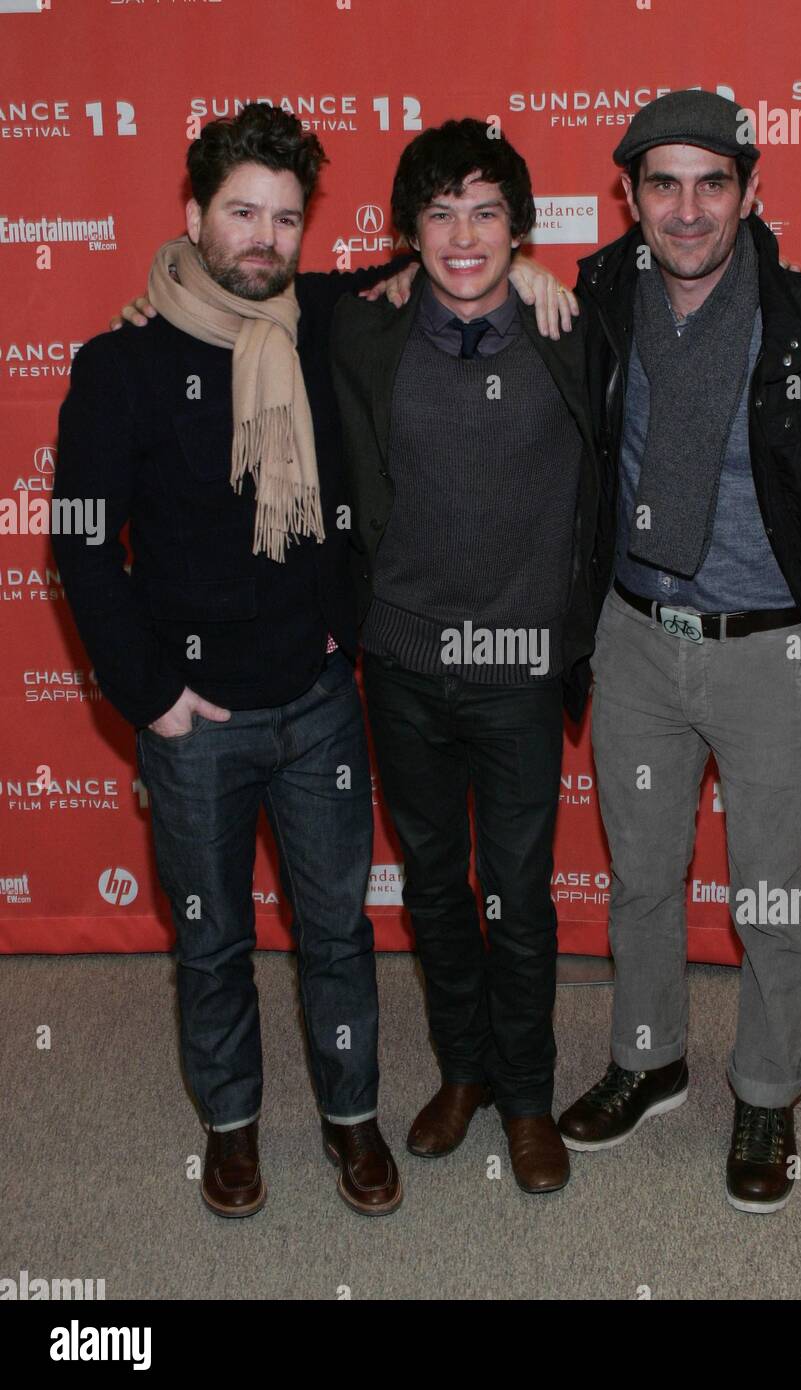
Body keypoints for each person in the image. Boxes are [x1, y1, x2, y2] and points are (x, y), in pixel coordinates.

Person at [558, 89, 801, 1212]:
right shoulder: (593, 303)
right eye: (661, 184)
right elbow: (432, 304)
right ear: (627, 198)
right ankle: (648, 1057)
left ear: (751, 192)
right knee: (639, 880)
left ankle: (767, 1089)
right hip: (631, 641)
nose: (687, 208)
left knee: (772, 895)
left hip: (774, 654)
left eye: (711, 182)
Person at [54, 103, 414, 1219]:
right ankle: (232, 1125)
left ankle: (352, 1116)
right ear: (194, 216)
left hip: (315, 701)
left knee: (337, 931)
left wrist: (545, 282)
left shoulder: (322, 321)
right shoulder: (119, 363)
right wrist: (151, 695)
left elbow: (453, 260)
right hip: (194, 716)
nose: (263, 238)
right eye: (242, 213)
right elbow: (78, 536)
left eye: (285, 218)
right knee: (211, 943)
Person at [331, 118, 600, 1194]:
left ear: (520, 228)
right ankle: (464, 1072)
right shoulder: (364, 331)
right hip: (401, 661)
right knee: (437, 885)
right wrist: (148, 298)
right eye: (439, 212)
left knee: (518, 892)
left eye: (487, 211)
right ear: (408, 230)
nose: (462, 235)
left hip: (524, 668)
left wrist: (537, 272)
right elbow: (255, 281)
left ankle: (528, 1096)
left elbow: (681, 265)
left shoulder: (574, 329)